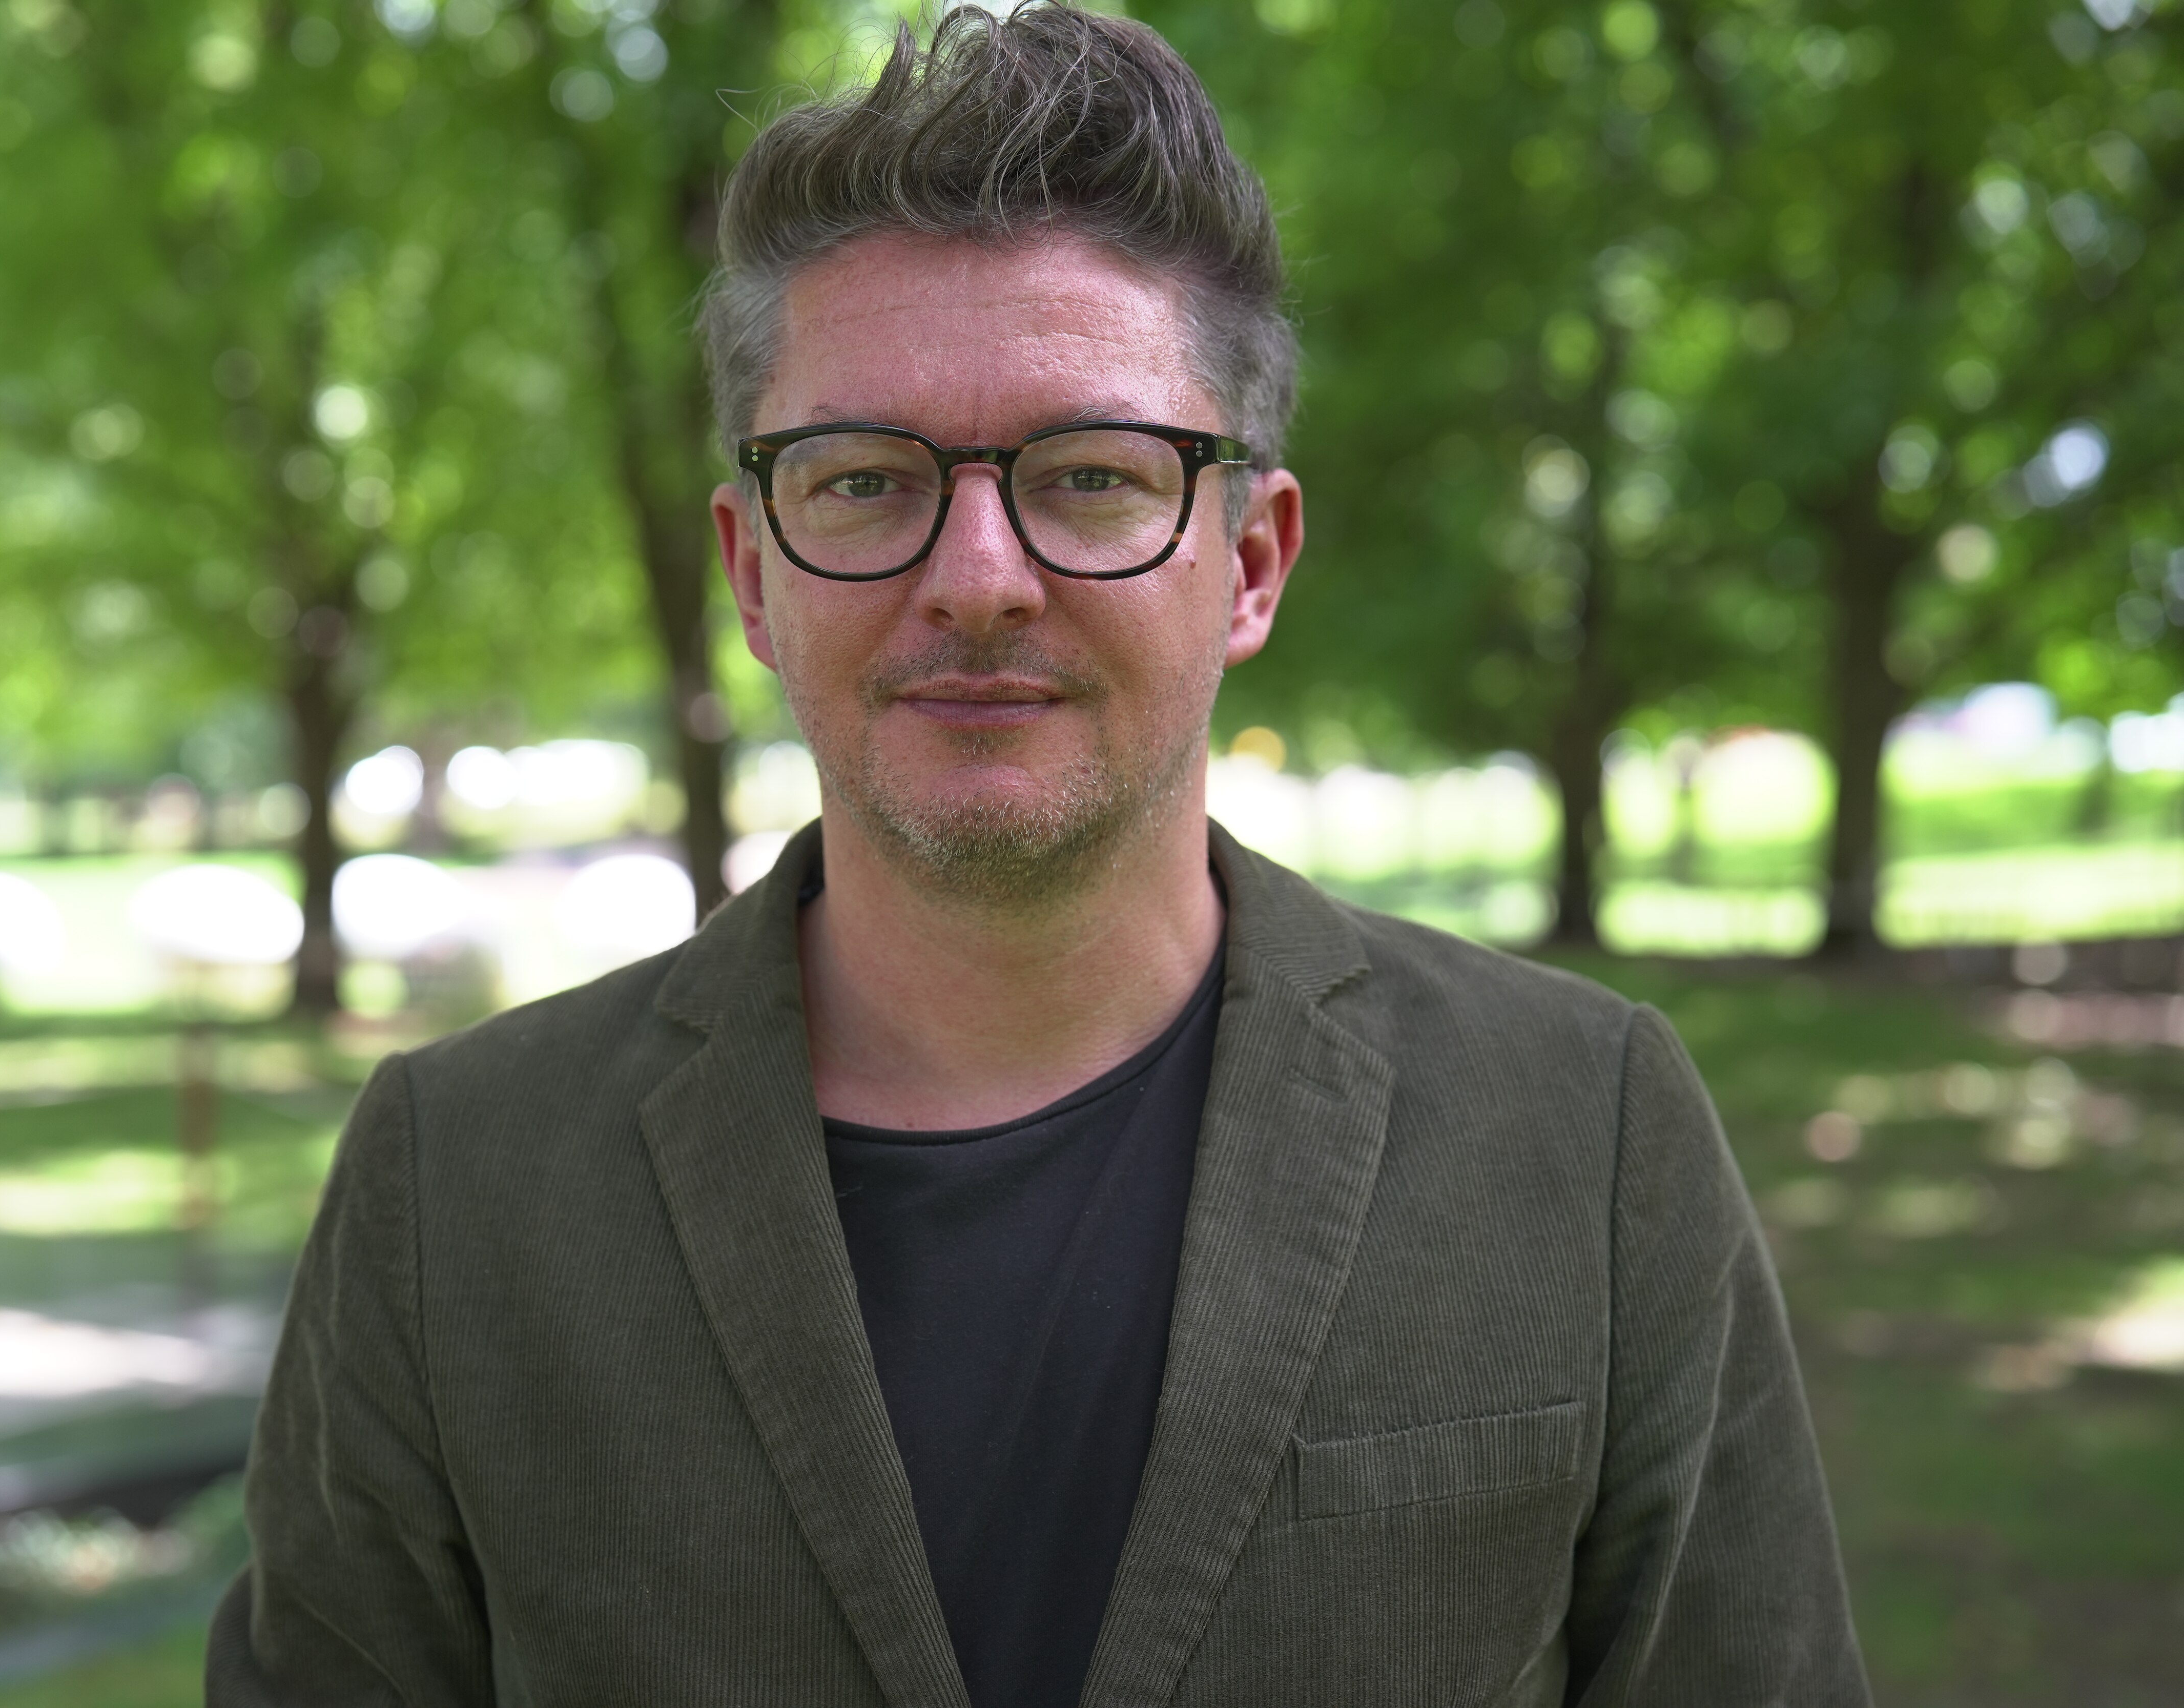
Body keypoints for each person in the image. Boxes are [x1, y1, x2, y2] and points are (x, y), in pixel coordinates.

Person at [208, 6, 1870, 1704]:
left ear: (1251, 561)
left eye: (1091, 476)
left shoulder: (1584, 1131)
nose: (982, 575)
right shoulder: (457, 1184)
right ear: (753, 572)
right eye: (861, 482)